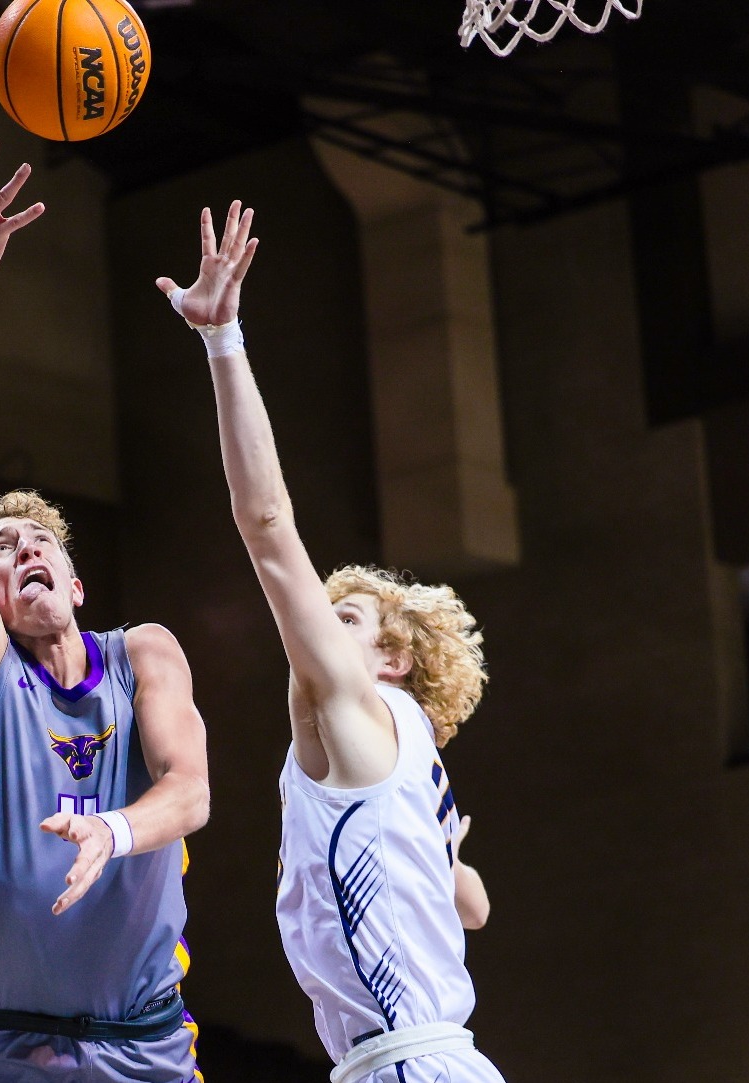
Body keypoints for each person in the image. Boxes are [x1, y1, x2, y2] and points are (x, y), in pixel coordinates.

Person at [160, 201, 500, 1082]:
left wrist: (222, 341)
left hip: (405, 1065)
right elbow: (473, 909)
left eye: (344, 617)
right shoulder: (411, 764)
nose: (317, 620)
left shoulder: (359, 710)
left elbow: (268, 525)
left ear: (393, 660)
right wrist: (444, 856)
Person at [0, 136, 211, 1082]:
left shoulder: (145, 653)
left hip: (147, 1047)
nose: (22, 551)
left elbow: (190, 791)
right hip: (10, 1048)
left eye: (41, 543)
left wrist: (111, 828)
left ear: (76, 583)